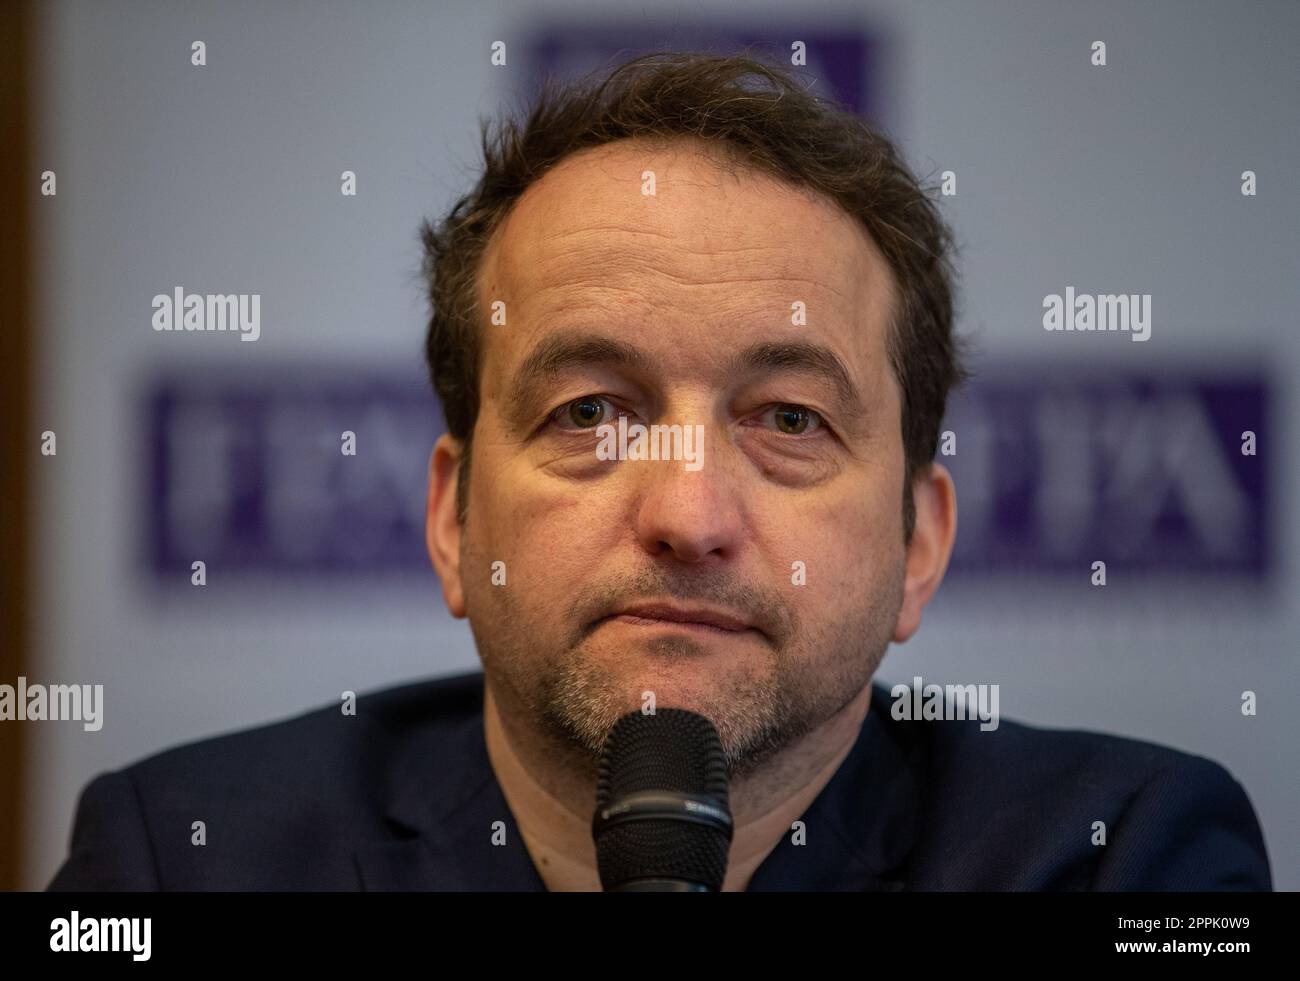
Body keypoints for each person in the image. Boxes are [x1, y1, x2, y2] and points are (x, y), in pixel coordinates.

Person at [48, 52, 1270, 891]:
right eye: (591, 411)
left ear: (917, 546)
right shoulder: (185, 859)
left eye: (788, 419)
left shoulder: (1124, 855)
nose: (687, 513)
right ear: (449, 516)